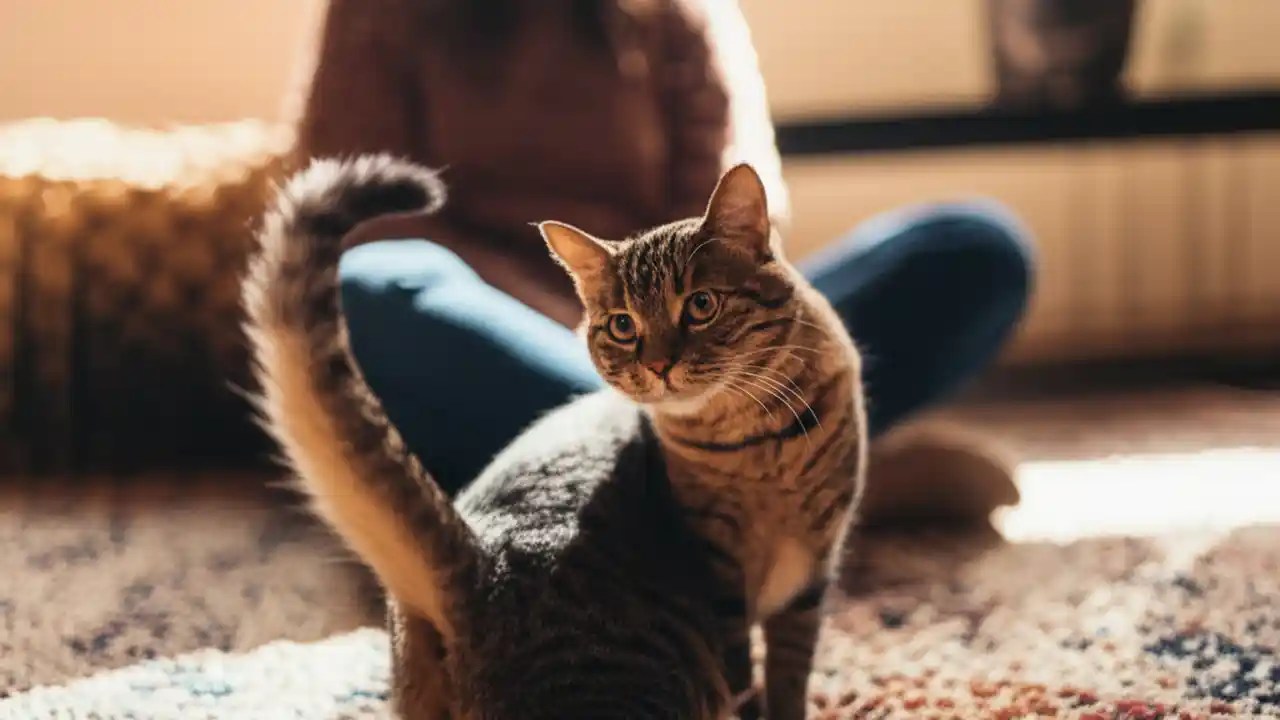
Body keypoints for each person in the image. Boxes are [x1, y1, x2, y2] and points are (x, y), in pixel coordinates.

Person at [289, 0, 1032, 517]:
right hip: (514, 335)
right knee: (367, 293)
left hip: (685, 340)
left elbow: (736, 221)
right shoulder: (381, 9)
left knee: (973, 247)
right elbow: (355, 218)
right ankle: (788, 484)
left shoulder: (674, 10)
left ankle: (676, 493)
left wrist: (667, 334)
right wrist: (599, 330)